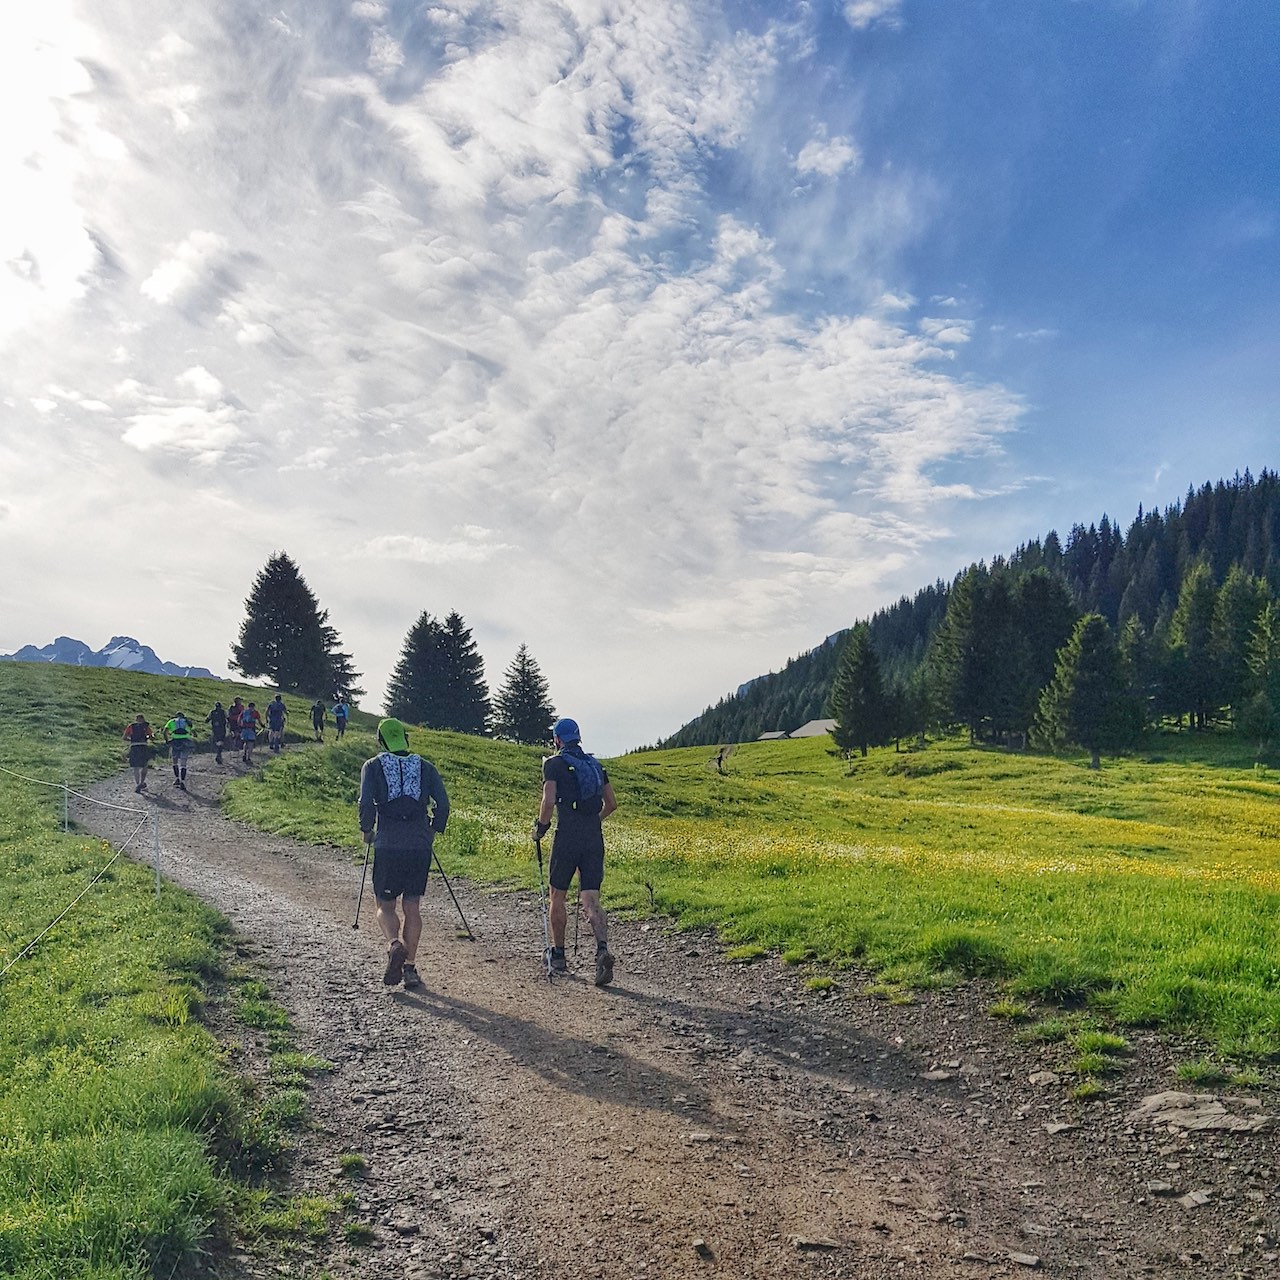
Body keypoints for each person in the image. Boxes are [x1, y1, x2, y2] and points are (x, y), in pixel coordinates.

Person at [358, 718, 449, 990]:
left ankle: (394, 944)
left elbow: (365, 803)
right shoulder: (426, 766)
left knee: (385, 905)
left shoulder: (372, 766)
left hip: (388, 842)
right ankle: (410, 968)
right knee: (412, 907)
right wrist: (434, 829)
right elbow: (443, 804)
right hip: (419, 844)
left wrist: (367, 832)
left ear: (381, 741)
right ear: (405, 739)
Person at [533, 717, 618, 986]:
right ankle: (602, 949)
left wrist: (541, 829)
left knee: (557, 895)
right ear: (578, 738)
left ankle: (558, 955)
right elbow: (612, 804)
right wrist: (593, 821)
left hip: (567, 837)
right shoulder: (595, 765)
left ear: (557, 740)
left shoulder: (553, 764)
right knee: (591, 899)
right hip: (594, 837)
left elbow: (548, 802)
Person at [162, 712, 195, 790]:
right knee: (183, 763)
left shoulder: (171, 721)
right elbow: (194, 732)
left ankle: (177, 778)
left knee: (175, 761)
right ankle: (183, 782)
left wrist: (167, 740)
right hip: (185, 742)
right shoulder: (187, 722)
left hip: (175, 742)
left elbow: (165, 731)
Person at [123, 714, 154, 793]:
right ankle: (142, 782)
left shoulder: (131, 726)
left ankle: (137, 784)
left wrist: (132, 739)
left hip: (134, 747)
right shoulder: (146, 726)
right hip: (143, 747)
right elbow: (151, 737)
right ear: (143, 719)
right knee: (145, 765)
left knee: (135, 767)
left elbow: (124, 737)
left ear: (136, 719)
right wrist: (148, 737)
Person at [206, 701, 228, 765]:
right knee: (221, 741)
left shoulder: (212, 712)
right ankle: (219, 754)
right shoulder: (223, 712)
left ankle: (218, 754)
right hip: (222, 729)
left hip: (215, 730)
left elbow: (207, 720)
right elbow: (228, 718)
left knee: (217, 741)